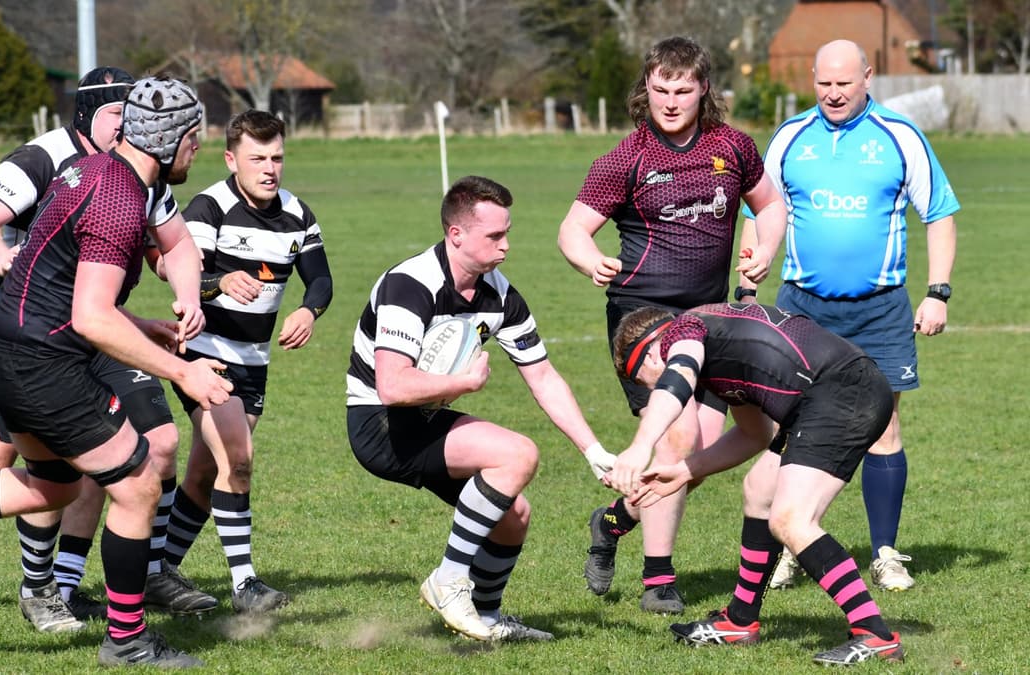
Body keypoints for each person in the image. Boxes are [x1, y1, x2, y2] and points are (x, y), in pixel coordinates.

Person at [0, 76, 226, 668]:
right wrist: (183, 374)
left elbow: (54, 279)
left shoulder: (95, 173)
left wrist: (144, 322)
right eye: (194, 138)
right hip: (39, 361)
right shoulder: (118, 199)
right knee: (136, 485)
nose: (196, 149)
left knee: (53, 484)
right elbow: (90, 318)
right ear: (170, 139)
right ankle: (127, 639)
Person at [556, 35, 786, 613]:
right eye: (660, 89)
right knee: (678, 432)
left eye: (683, 90)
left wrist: (766, 250)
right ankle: (659, 578)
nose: (671, 100)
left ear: (703, 88)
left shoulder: (733, 148)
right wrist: (590, 260)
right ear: (646, 89)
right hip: (641, 315)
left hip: (711, 317)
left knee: (755, 434)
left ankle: (613, 520)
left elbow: (771, 206)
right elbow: (571, 231)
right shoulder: (625, 157)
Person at [346, 175, 615, 642]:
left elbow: (544, 376)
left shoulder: (499, 294)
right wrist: (463, 383)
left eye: (506, 232)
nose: (506, 245)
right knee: (517, 454)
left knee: (513, 515)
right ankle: (449, 580)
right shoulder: (410, 284)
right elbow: (391, 386)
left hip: (425, 418)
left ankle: (487, 621)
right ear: (457, 235)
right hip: (381, 423)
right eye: (494, 235)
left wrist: (594, 451)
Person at [743, 39, 959, 592]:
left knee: (882, 426)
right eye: (824, 83)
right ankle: (790, 542)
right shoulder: (791, 137)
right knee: (789, 430)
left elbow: (938, 213)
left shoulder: (899, 136)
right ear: (811, 79)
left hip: (880, 310)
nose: (833, 93)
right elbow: (763, 212)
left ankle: (885, 552)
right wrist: (748, 284)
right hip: (801, 307)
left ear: (867, 77)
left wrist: (937, 292)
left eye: (845, 82)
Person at [608, 302, 904, 666]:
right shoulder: (716, 357)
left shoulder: (682, 332)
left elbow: (678, 375)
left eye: (643, 381)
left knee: (792, 521)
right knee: (759, 491)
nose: (649, 391)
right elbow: (753, 435)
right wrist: (685, 471)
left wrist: (640, 447)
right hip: (826, 397)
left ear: (652, 353)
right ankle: (740, 621)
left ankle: (874, 634)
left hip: (841, 393)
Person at [145, 109, 333, 615]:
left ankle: (157, 572)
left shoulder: (298, 213)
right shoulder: (210, 208)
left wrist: (308, 310)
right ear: (232, 159)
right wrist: (219, 282)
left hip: (254, 361)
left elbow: (321, 279)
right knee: (238, 458)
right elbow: (183, 278)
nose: (270, 168)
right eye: (258, 159)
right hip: (204, 356)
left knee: (208, 472)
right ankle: (245, 584)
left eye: (277, 158)